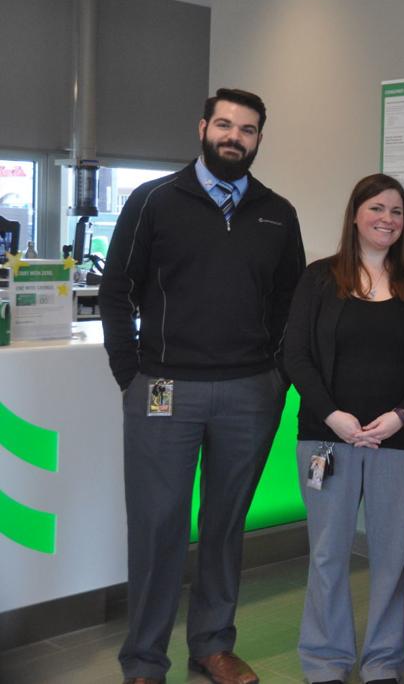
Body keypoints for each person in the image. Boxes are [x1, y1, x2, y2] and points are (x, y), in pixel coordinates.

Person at [99, 88, 305, 684]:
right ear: (202, 128)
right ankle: (144, 659)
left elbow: (291, 304)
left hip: (249, 394)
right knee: (158, 525)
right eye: (224, 125)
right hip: (164, 390)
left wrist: (278, 379)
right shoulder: (154, 200)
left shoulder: (277, 212)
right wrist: (130, 374)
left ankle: (213, 644)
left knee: (224, 525)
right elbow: (117, 292)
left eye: (247, 129)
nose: (234, 137)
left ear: (259, 139)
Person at [283, 173, 404, 684]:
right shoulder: (319, 278)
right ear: (355, 214)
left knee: (392, 557)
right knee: (328, 554)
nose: (387, 219)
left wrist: (400, 416)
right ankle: (325, 661)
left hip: (398, 441)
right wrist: (334, 415)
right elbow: (296, 355)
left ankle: (382, 663)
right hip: (326, 438)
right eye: (377, 208)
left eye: (396, 211)